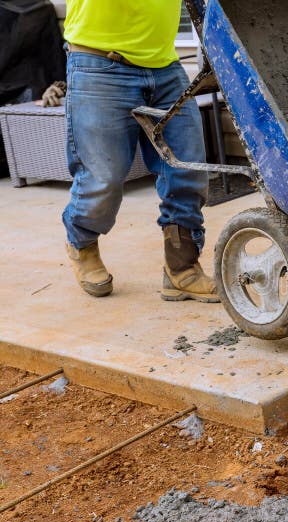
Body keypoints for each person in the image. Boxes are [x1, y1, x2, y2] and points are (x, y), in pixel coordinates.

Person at [61, 0, 218, 303]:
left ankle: (182, 268)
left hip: (164, 65)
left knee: (187, 169)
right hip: (99, 64)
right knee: (103, 178)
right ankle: (82, 243)